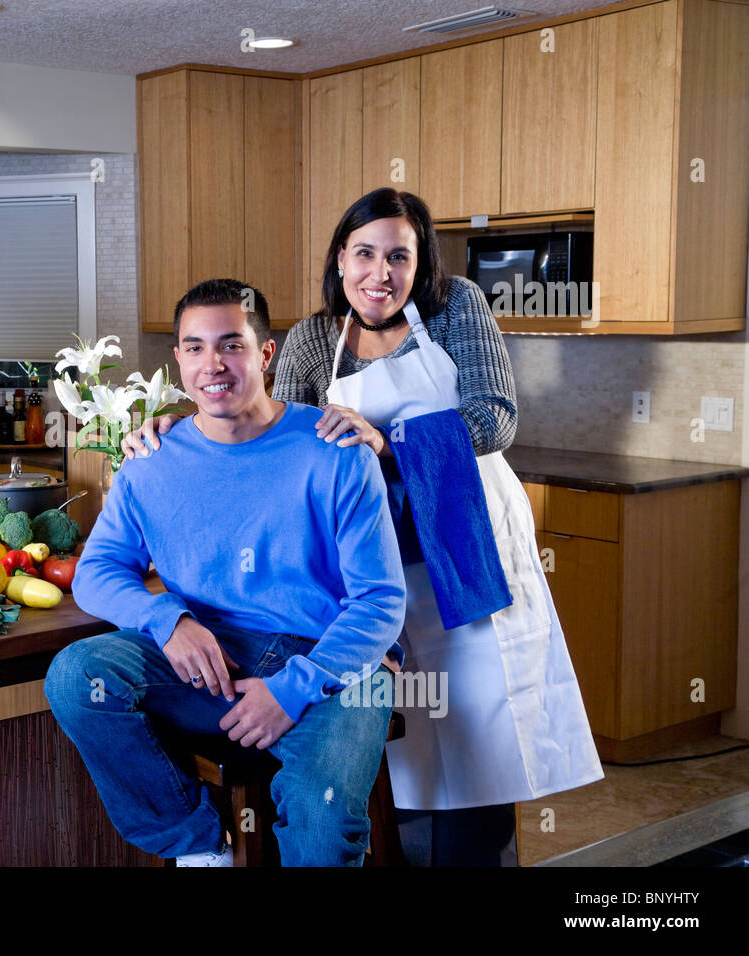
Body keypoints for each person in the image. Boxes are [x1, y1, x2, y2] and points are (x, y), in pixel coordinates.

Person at [123, 188, 603, 866]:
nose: (381, 273)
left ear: (421, 261)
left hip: (467, 550)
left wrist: (388, 442)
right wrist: (182, 423)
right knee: (406, 746)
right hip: (374, 560)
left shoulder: (458, 305)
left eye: (399, 256)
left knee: (483, 733)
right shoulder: (320, 337)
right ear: (340, 261)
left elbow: (495, 418)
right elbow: (269, 427)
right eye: (365, 254)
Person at [45, 278, 407, 867]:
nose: (212, 364)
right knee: (76, 678)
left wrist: (292, 689)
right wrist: (167, 620)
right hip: (213, 663)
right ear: (179, 360)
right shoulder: (149, 461)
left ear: (265, 355)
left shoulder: (336, 450)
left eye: (231, 345)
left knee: (321, 812)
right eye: (194, 347)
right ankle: (198, 849)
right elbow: (98, 571)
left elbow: (381, 603)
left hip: (333, 664)